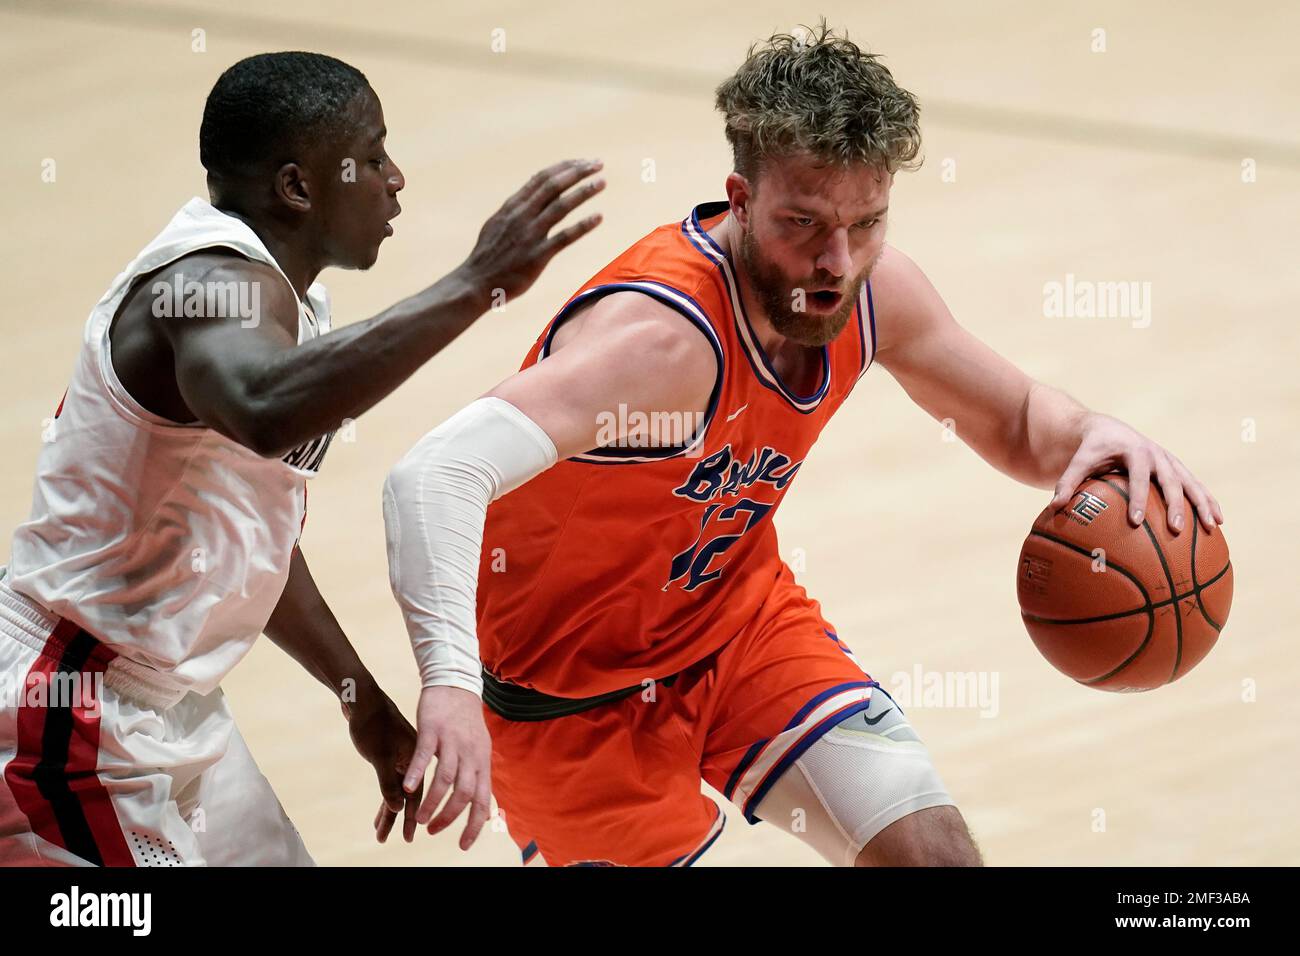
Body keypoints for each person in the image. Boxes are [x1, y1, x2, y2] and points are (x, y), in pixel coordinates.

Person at [382, 25, 1223, 866]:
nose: (837, 260)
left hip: (736, 630)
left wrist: (1091, 431)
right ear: (740, 199)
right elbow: (435, 474)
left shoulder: (872, 294)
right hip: (564, 703)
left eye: (867, 223)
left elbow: (1017, 420)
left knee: (935, 857)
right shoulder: (662, 344)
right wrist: (448, 684)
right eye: (804, 223)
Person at [0, 50, 603, 866]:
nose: (396, 178)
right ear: (297, 187)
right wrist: (475, 282)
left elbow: (248, 542)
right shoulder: (212, 285)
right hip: (71, 709)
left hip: (168, 701)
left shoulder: (285, 299)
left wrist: (359, 699)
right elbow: (262, 407)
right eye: (373, 154)